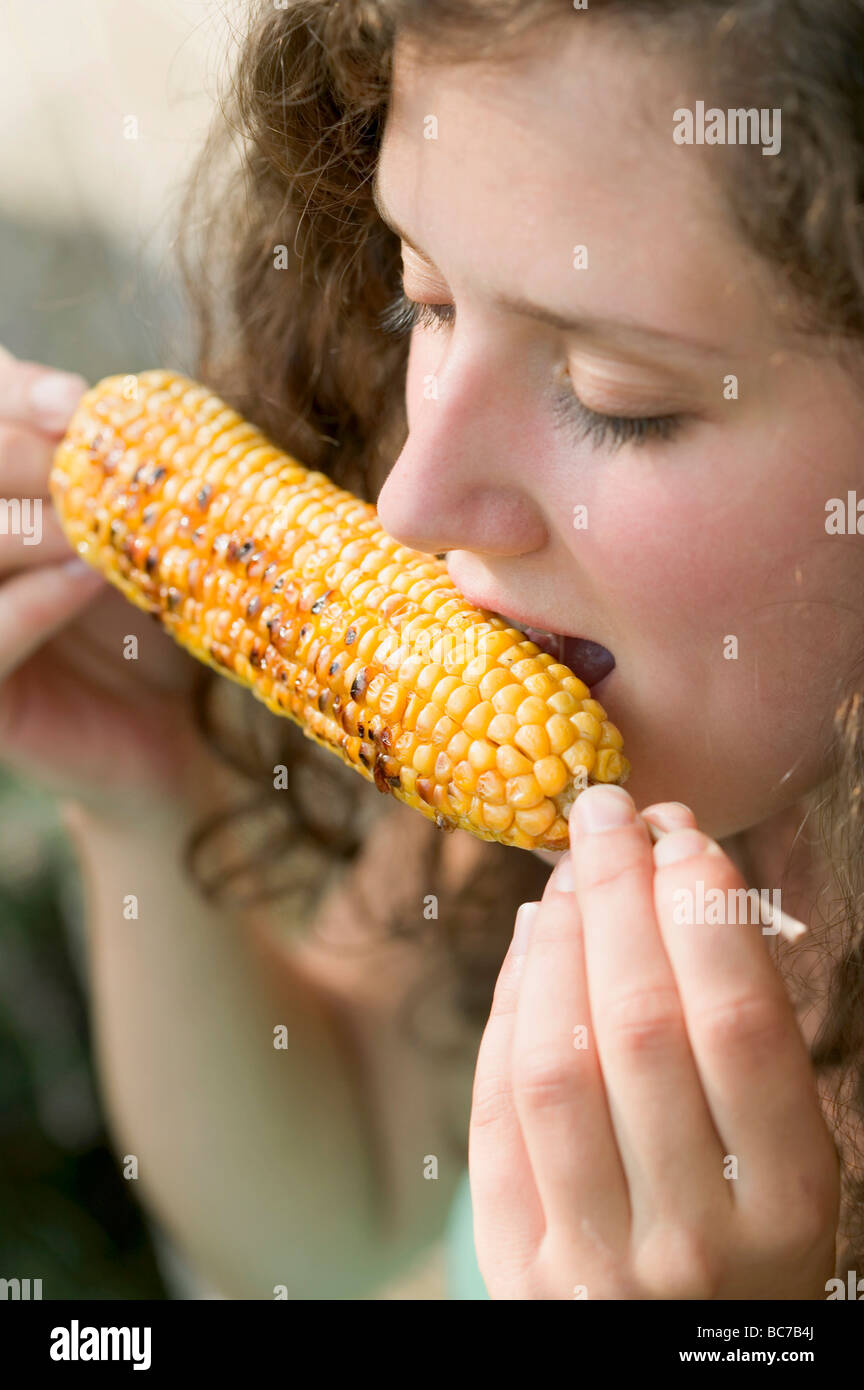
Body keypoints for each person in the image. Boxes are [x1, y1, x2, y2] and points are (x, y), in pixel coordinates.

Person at [1, 0, 862, 1299]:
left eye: (617, 399)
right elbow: (330, 1218)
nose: (410, 503)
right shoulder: (602, 764)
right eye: (428, 301)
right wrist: (143, 790)